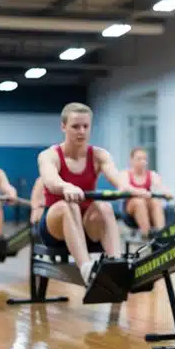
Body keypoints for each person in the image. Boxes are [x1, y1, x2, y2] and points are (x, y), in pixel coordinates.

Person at [37, 102, 149, 286]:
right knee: (68, 206)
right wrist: (65, 187)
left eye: (85, 126)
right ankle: (86, 269)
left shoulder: (99, 155)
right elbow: (50, 179)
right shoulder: (50, 155)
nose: (81, 131)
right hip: (55, 228)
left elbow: (117, 179)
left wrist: (133, 190)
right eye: (75, 126)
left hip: (87, 226)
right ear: (63, 126)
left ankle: (116, 264)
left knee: (104, 206)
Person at [119, 147, 173, 238]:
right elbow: (124, 188)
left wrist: (167, 193)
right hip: (130, 212)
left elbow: (161, 187)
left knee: (155, 201)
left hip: (149, 209)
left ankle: (162, 236)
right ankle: (146, 235)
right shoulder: (124, 174)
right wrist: (140, 192)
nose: (142, 162)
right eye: (139, 159)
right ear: (131, 160)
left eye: (144, 159)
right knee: (139, 201)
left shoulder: (152, 175)